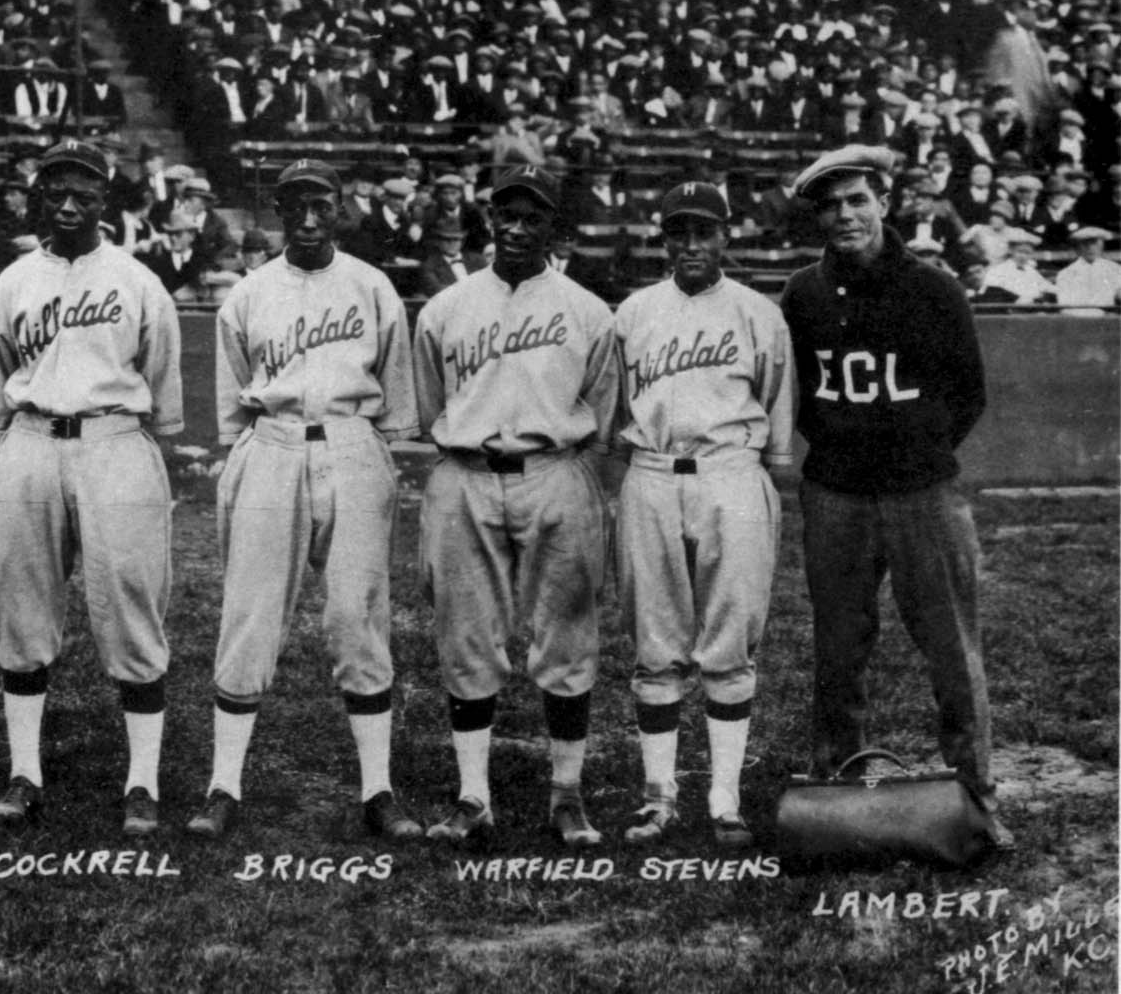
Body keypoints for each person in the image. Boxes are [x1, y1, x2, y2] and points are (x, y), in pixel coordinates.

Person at [767, 150, 996, 841]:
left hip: (922, 492)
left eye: (857, 200)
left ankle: (976, 792)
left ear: (884, 203)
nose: (845, 215)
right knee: (838, 645)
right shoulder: (802, 293)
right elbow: (801, 396)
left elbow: (967, 392)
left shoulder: (934, 288)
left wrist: (914, 451)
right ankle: (836, 785)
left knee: (951, 645)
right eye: (830, 206)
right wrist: (846, 446)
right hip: (836, 491)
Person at [190, 169, 420, 835]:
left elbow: (396, 397)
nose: (310, 220)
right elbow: (234, 397)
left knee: (357, 615)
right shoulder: (250, 293)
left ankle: (378, 790)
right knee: (249, 612)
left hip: (351, 441)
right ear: (279, 212)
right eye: (297, 208)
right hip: (272, 441)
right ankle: (222, 786)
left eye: (322, 206)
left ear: (340, 209)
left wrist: (370, 453)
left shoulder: (371, 286)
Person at [0, 156, 187, 827]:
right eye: (56, 194)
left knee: (130, 599)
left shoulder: (136, 279)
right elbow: (1, 368)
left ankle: (142, 781)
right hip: (31, 438)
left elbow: (160, 378)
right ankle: (23, 774)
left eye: (83, 196)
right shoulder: (14, 279)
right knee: (20, 602)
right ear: (39, 200)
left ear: (104, 202)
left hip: (113, 439)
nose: (67, 207)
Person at [397, 179, 614, 846]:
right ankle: (473, 797)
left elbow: (601, 410)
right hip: (465, 475)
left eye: (532, 218)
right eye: (506, 216)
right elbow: (430, 407)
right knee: (465, 635)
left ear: (553, 229)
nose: (517, 229)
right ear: (489, 220)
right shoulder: (446, 307)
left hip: (555, 471)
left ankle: (566, 794)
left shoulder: (587, 311)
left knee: (566, 634)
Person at [594, 183, 789, 844]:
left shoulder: (757, 313)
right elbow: (616, 407)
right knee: (654, 641)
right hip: (651, 472)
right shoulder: (634, 311)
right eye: (678, 232)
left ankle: (724, 798)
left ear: (725, 236)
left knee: (730, 640)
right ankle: (658, 796)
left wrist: (757, 473)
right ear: (663, 240)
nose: (690, 244)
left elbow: (776, 408)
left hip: (730, 472)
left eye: (703, 231)